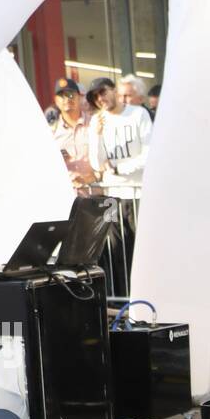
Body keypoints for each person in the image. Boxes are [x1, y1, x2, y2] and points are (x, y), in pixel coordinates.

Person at [86, 76, 153, 292]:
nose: (101, 98)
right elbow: (97, 163)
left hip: (137, 194)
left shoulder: (138, 114)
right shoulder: (97, 121)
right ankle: (121, 298)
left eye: (103, 91)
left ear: (113, 90)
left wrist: (118, 169)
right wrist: (96, 135)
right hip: (111, 195)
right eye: (96, 96)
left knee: (139, 251)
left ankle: (142, 295)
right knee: (115, 251)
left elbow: (149, 153)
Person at [48, 77, 94, 193]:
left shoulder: (95, 124)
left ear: (80, 97)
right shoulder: (50, 132)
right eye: (62, 96)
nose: (67, 99)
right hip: (66, 196)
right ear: (56, 100)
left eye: (71, 95)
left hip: (96, 194)